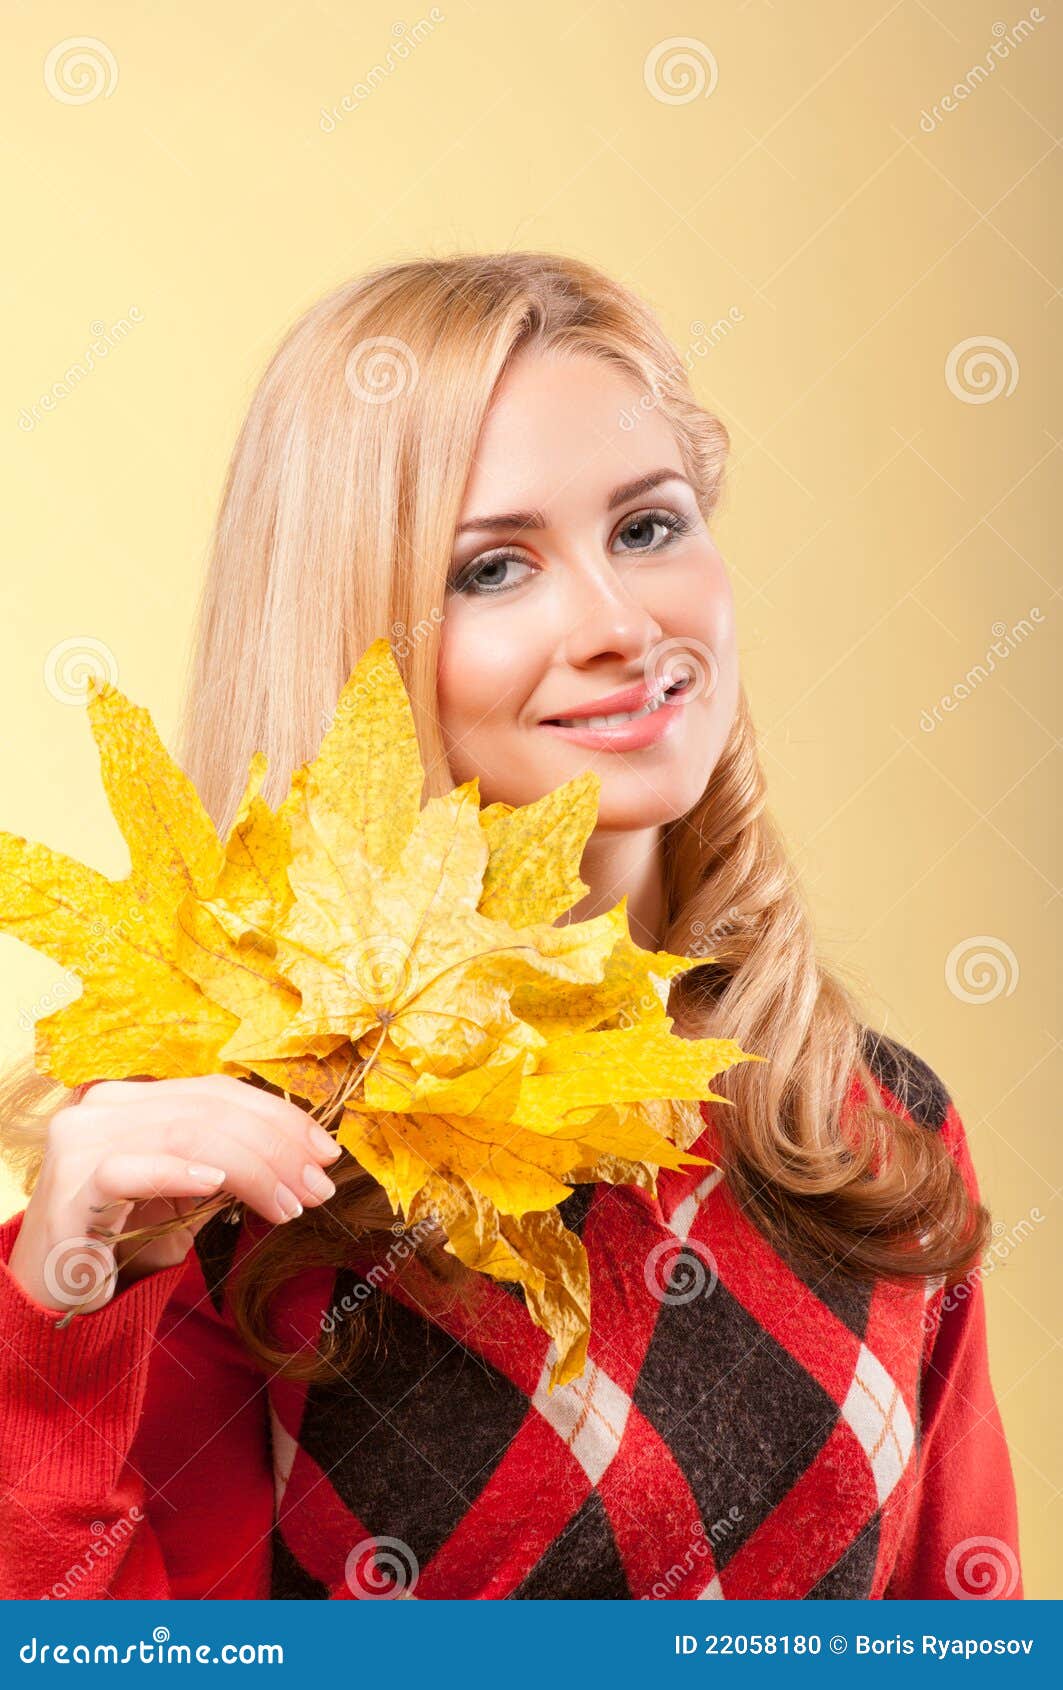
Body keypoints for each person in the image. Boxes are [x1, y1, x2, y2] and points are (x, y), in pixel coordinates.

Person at [0, 253, 1022, 1600]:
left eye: (649, 527)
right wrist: (68, 1323)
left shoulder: (869, 1125)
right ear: (347, 637)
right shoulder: (215, 1189)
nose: (616, 621)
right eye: (493, 568)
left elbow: (963, 1630)